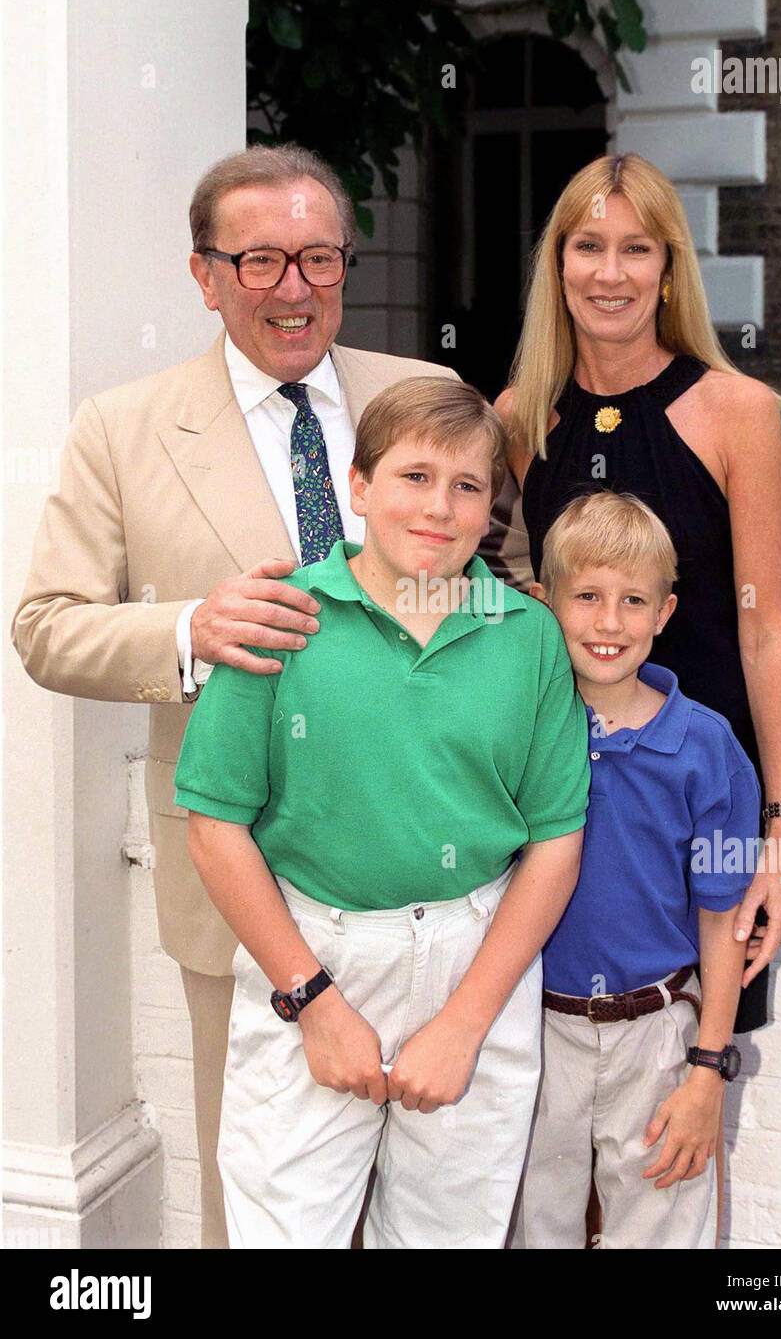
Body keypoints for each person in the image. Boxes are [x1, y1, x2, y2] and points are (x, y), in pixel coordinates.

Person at [10, 143, 462, 1248]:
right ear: (204, 275)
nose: (293, 288)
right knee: (256, 1194)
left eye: (317, 257)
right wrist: (186, 629)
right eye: (258, 261)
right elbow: (44, 626)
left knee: (437, 1184)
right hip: (239, 872)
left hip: (438, 870)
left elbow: (504, 597)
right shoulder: (121, 427)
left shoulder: (430, 400)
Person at [172, 377, 589, 1248]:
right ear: (358, 487)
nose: (439, 507)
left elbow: (554, 841)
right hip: (313, 955)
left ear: (491, 509)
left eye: (467, 486)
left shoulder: (526, 635)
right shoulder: (284, 619)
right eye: (414, 476)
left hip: (477, 960)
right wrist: (314, 1002)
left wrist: (464, 1024)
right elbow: (214, 825)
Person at [489, 151, 781, 1038]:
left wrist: (777, 838)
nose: (610, 272)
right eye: (587, 245)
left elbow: (766, 633)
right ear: (557, 264)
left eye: (637, 249)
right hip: (563, 804)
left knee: (688, 1080)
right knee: (556, 1082)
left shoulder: (735, 411)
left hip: (706, 800)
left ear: (668, 269)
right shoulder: (524, 415)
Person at [512, 490, 760, 1249]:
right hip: (527, 1028)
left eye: (632, 600)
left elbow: (722, 917)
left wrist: (708, 1069)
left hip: (657, 1035)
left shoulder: (708, 748)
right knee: (527, 1232)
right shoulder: (516, 725)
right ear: (543, 600)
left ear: (665, 611)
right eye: (585, 596)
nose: (609, 622)